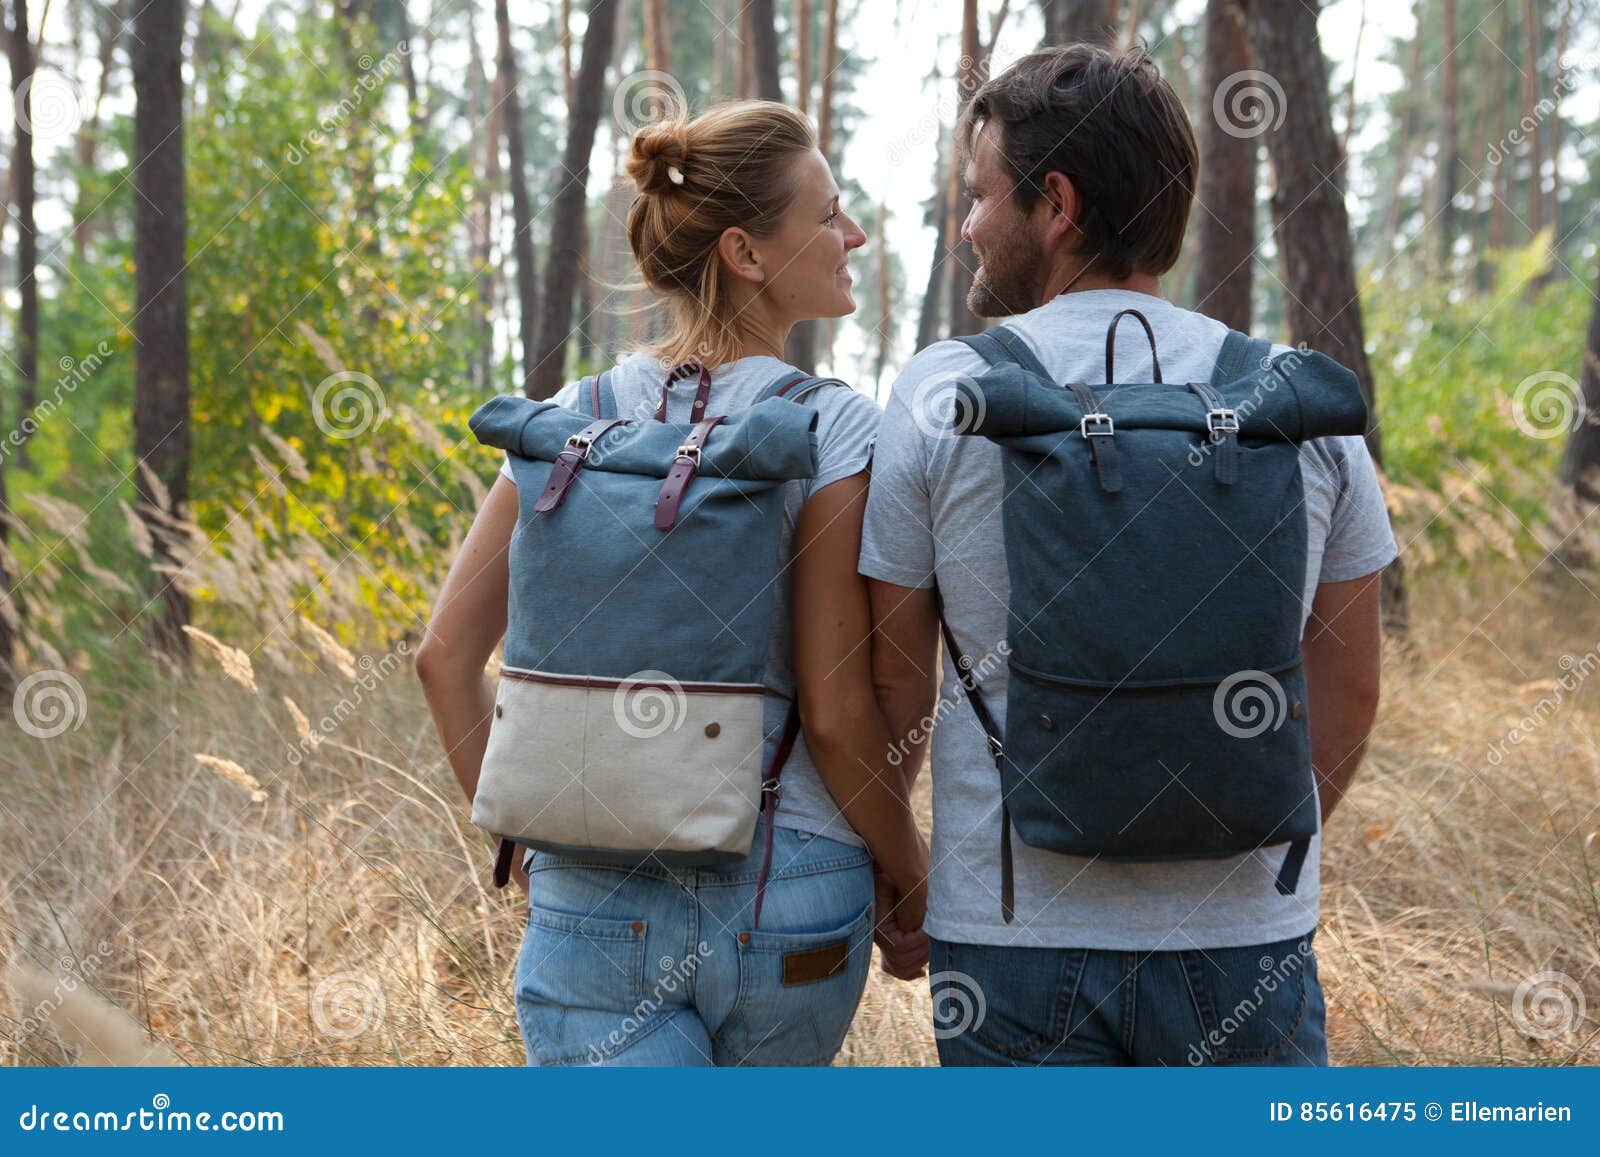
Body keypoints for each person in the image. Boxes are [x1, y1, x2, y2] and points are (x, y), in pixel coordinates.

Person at [860, 44, 1397, 1066]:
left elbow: (896, 689)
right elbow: (1352, 686)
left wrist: (903, 870)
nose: (967, 225)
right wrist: (1242, 835)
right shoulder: (1295, 399)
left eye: (979, 196)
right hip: (1247, 943)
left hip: (1014, 938)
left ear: (1053, 204)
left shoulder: (939, 394)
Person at [416, 100, 927, 1066]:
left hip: (595, 899)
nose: (852, 233)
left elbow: (444, 656)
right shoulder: (835, 425)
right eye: (828, 215)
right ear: (744, 249)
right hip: (792, 897)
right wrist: (910, 869)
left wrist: (535, 832)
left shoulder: (571, 416)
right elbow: (834, 707)